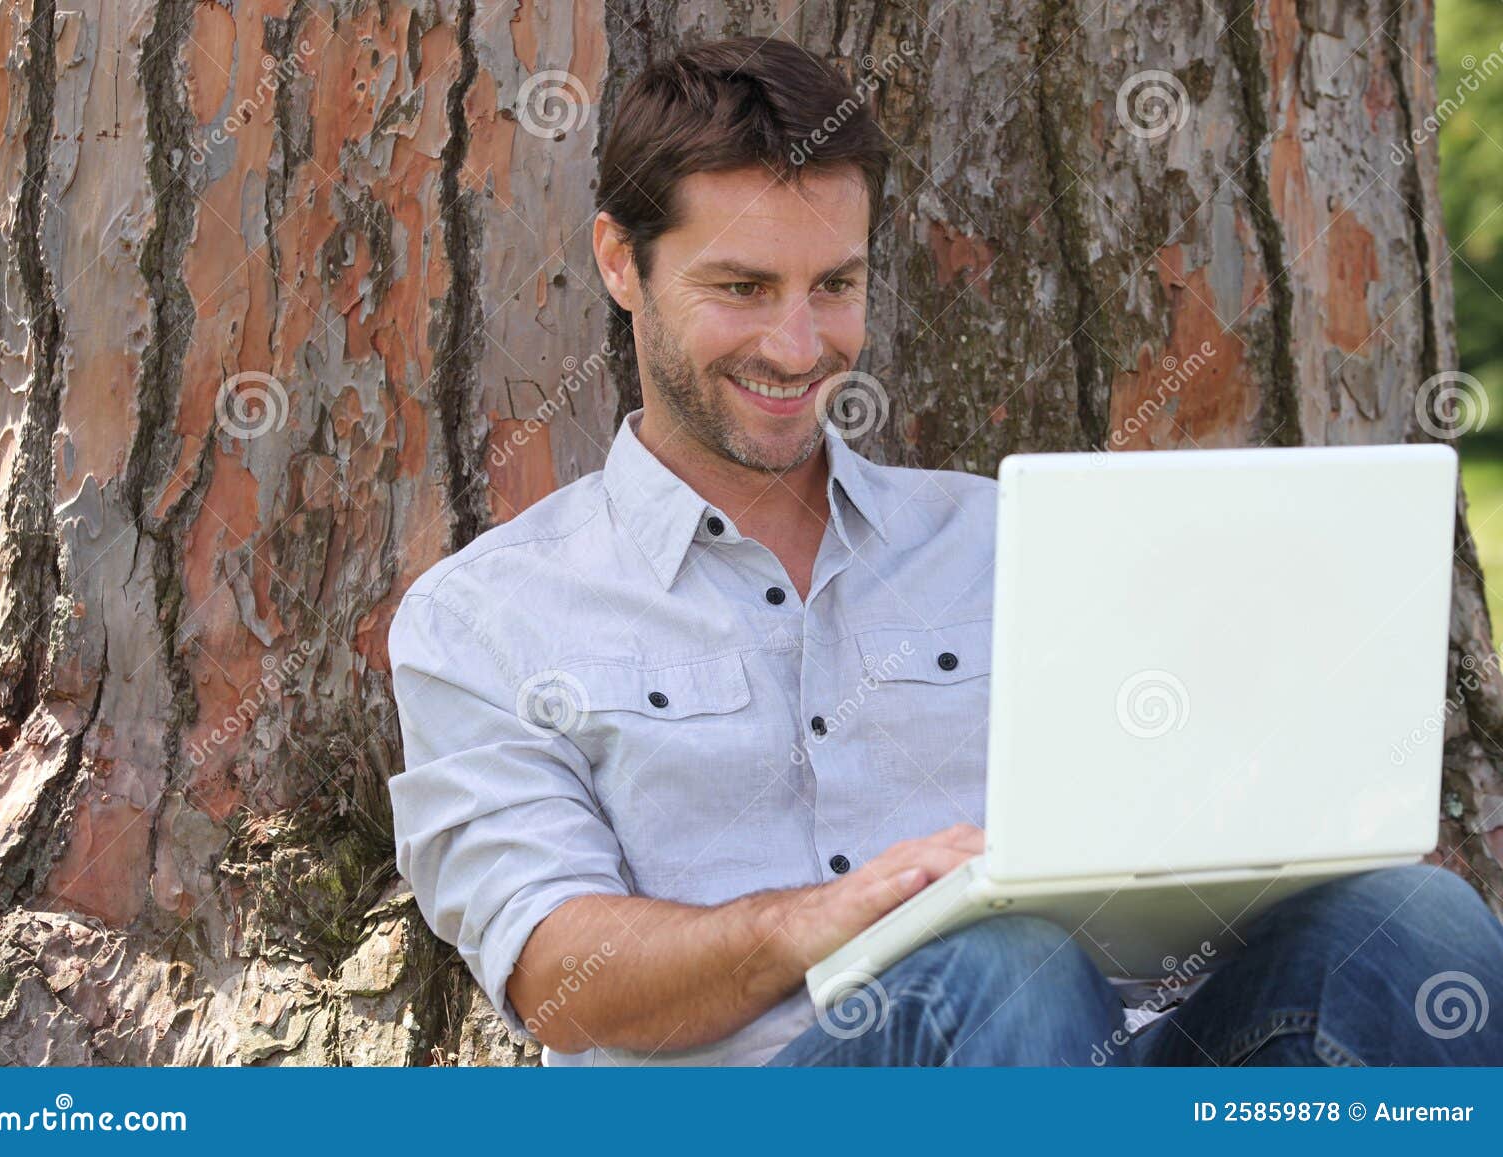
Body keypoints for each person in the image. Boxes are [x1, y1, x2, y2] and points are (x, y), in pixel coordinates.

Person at [387, 35, 1503, 1066]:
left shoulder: (1017, 543)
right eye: (741, 287)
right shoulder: (487, 614)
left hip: (1092, 1069)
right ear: (621, 263)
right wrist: (822, 922)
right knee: (1001, 965)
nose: (798, 346)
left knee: (1413, 920)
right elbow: (556, 976)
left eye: (834, 285)